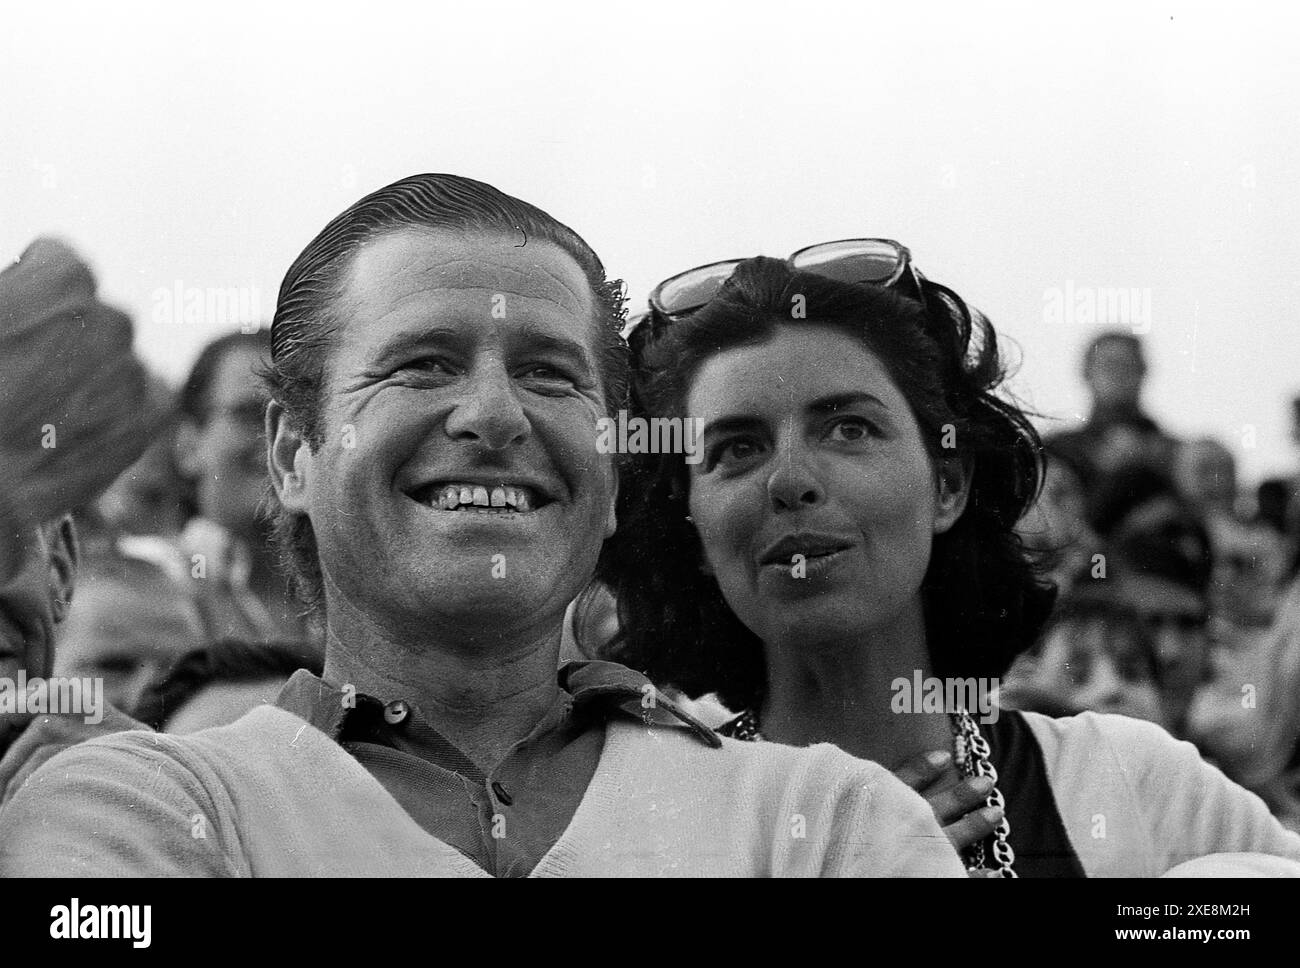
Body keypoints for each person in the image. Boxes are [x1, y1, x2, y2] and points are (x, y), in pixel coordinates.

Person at [0, 176, 962, 878]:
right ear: (293, 453)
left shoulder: (831, 822)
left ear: (616, 470)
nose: (495, 415)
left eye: (551, 373)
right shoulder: (136, 809)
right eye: (422, 365)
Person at [601, 245, 1300, 876]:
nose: (789, 479)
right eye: (735, 449)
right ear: (691, 525)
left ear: (948, 484)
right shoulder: (638, 830)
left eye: (848, 428)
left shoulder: (1124, 783)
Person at [174, 330, 316, 646]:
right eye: (251, 415)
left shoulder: (356, 598)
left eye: (299, 417)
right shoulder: (160, 584)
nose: (280, 439)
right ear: (188, 445)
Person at [1045, 330, 1177, 491]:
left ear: (1143, 372)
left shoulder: (1175, 455)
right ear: (1087, 373)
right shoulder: (1057, 452)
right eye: (1109, 365)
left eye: (1127, 365)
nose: (1118, 374)